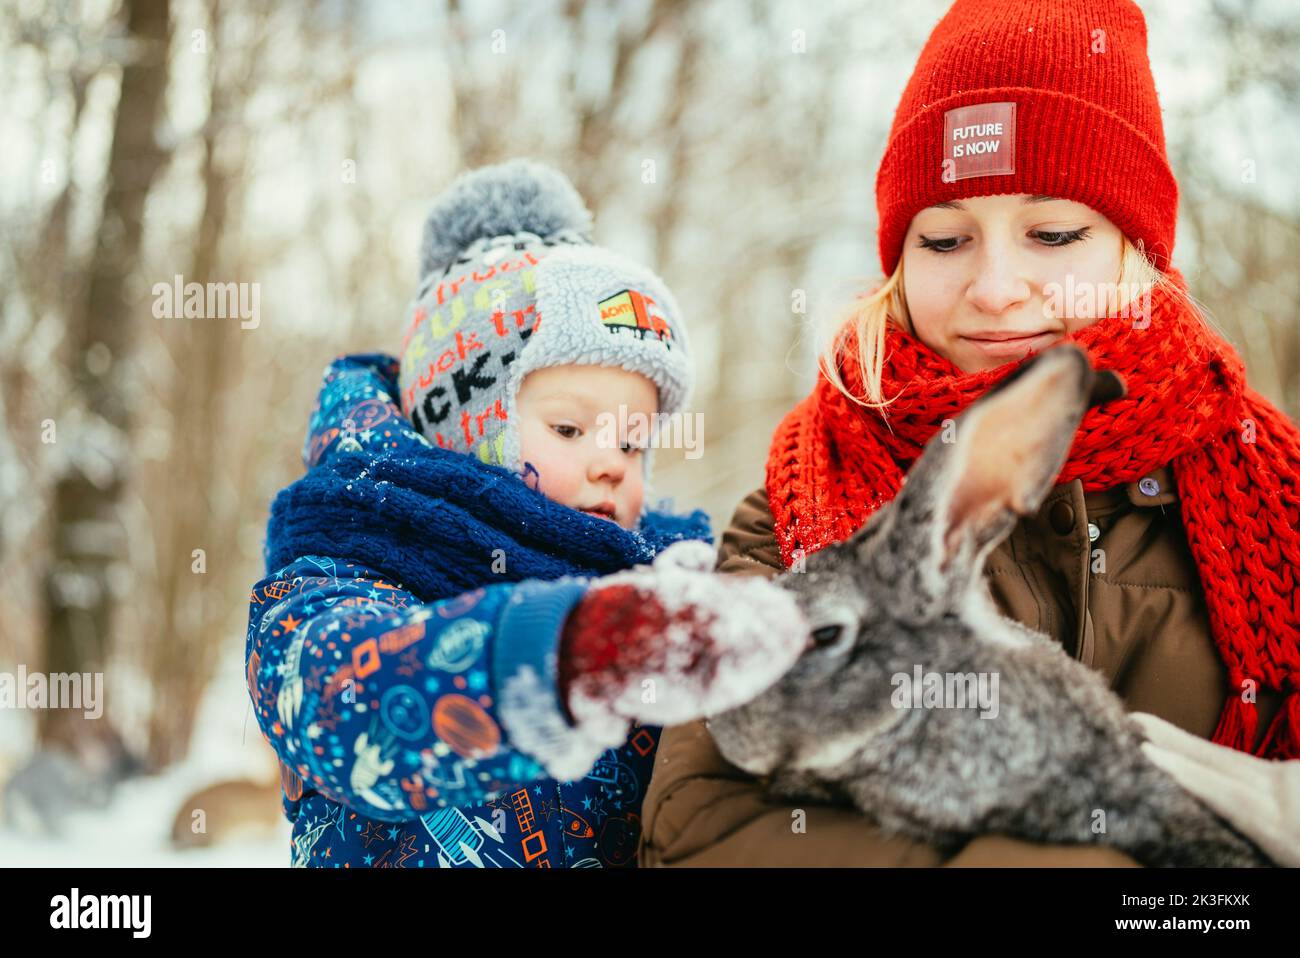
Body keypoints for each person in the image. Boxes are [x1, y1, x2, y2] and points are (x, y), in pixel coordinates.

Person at [639, 0, 1300, 867]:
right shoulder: (793, 510)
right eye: (945, 238)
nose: (995, 287)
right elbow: (704, 827)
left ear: (1132, 250)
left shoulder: (1271, 493)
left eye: (1053, 232)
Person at [245, 160, 806, 867]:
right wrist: (564, 655)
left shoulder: (653, 593)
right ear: (466, 429)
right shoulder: (335, 574)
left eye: (633, 442)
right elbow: (343, 704)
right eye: (570, 430)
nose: (611, 462)